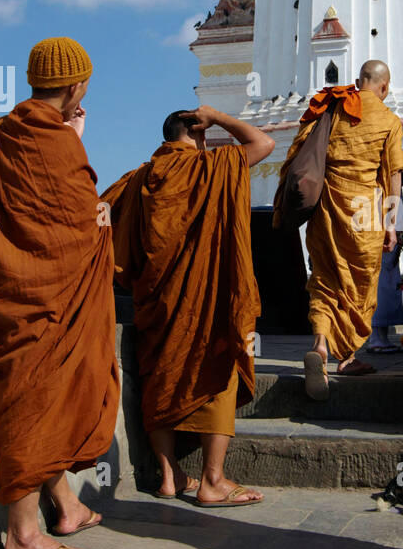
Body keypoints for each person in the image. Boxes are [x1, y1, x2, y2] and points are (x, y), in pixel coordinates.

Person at [0, 37, 119, 549]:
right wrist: (101, 215)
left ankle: (64, 505)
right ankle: (22, 538)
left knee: (36, 397)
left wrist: (73, 141)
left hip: (11, 291)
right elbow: (76, 226)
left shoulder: (0, 132)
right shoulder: (59, 143)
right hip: (45, 299)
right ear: (77, 86)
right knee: (35, 404)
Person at [102, 105, 274, 506]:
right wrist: (219, 116)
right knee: (220, 370)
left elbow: (102, 216)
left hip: (156, 301)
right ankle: (213, 480)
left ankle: (168, 475)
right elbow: (262, 143)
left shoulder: (139, 178)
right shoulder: (211, 166)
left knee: (158, 379)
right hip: (207, 299)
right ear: (197, 133)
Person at [275, 60, 403, 399]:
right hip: (364, 214)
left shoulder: (331, 108)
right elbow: (392, 174)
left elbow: (303, 150)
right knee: (357, 287)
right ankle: (347, 356)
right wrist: (392, 225)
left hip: (326, 210)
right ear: (384, 87)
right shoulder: (389, 120)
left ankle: (319, 346)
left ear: (359, 80)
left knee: (324, 279)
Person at [366, 149, 403, 353]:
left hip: (389, 250)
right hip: (381, 246)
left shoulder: (392, 190)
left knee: (386, 287)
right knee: (381, 288)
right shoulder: (380, 190)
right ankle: (377, 338)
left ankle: (380, 337)